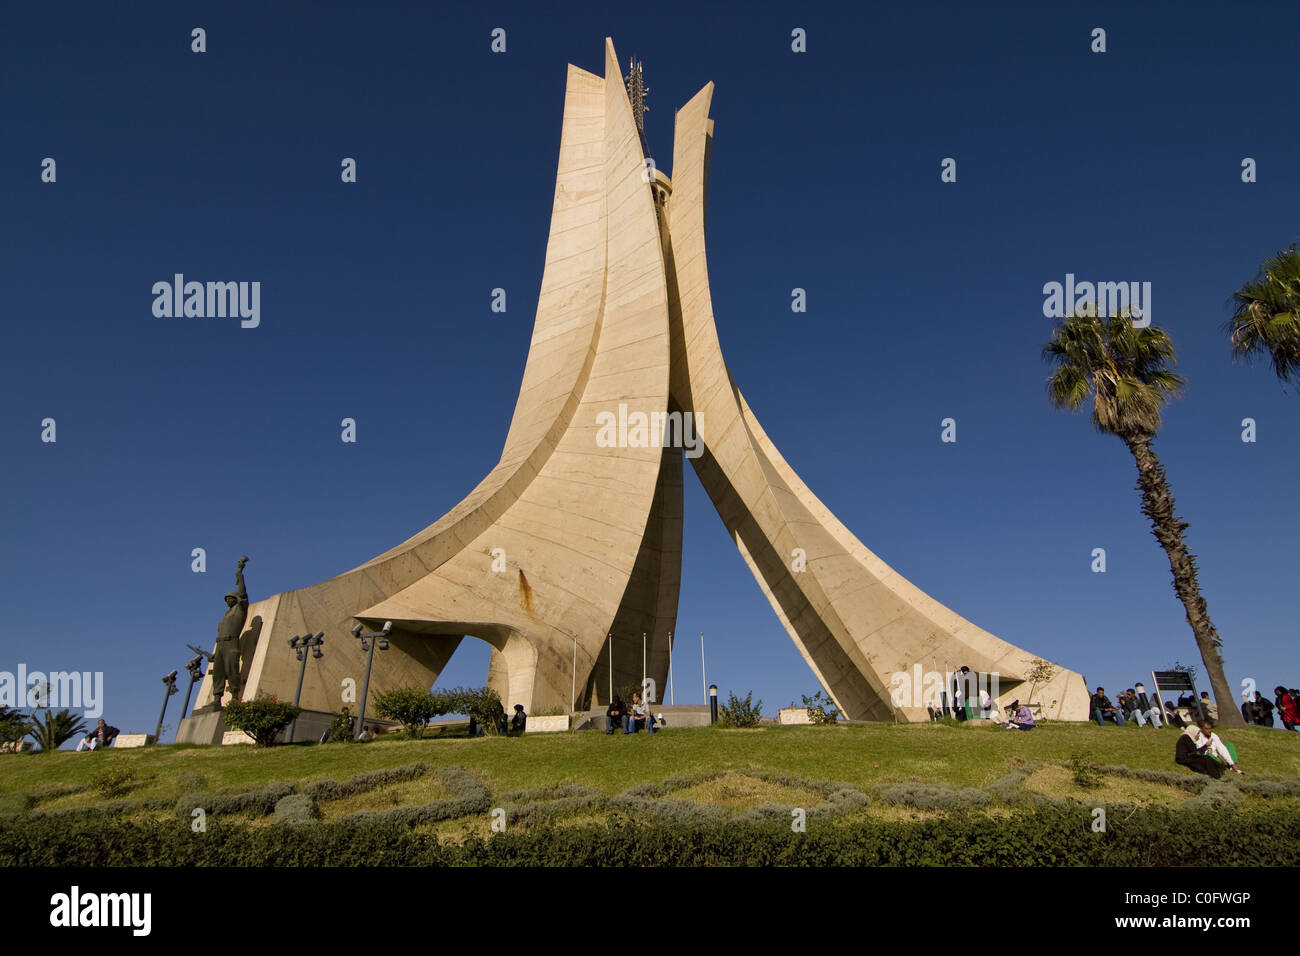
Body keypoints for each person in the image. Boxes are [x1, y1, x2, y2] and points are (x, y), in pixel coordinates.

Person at [209, 556, 249, 706]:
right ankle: (216, 698)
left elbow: (242, 591)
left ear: (236, 599)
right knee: (218, 672)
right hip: (220, 645)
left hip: (232, 643)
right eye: (226, 599)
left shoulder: (240, 609)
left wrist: (239, 572)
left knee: (232, 669)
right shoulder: (225, 616)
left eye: (230, 598)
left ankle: (234, 696)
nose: (228, 601)